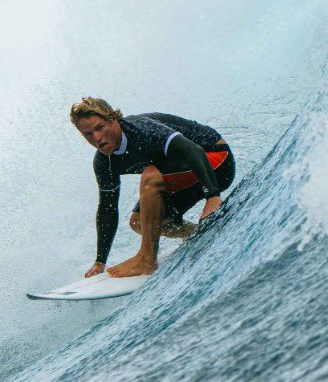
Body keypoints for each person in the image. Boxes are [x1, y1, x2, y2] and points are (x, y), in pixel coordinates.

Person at [70, 96, 235, 279]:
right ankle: (195, 233)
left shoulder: (141, 130)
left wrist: (212, 196)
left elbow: (193, 151)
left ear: (113, 120)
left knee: (149, 176)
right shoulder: (104, 162)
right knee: (139, 222)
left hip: (216, 161)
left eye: (100, 127)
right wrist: (100, 261)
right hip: (186, 175)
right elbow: (108, 209)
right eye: (88, 134)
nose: (97, 138)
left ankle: (147, 259)